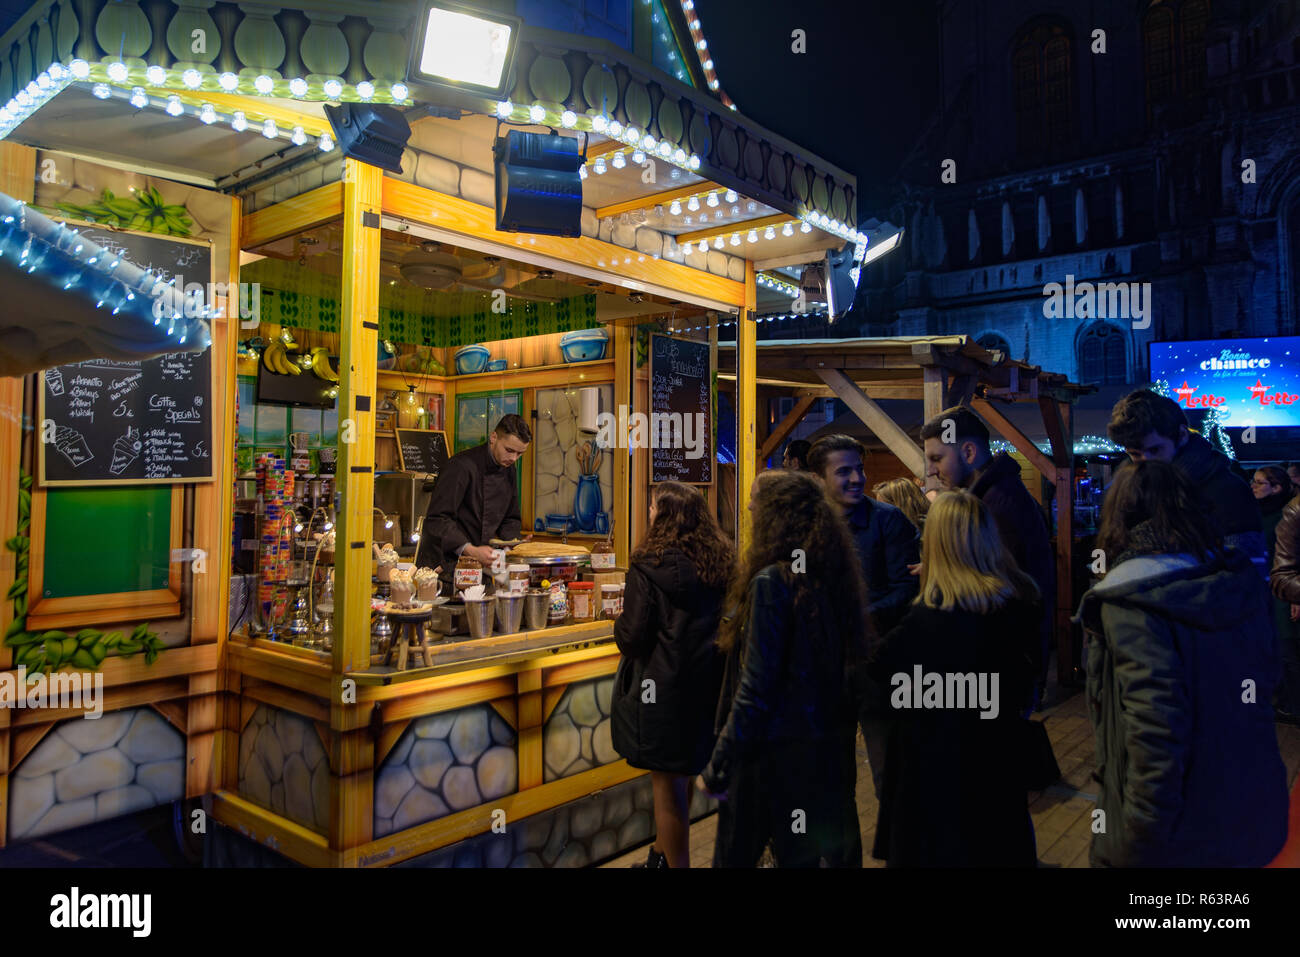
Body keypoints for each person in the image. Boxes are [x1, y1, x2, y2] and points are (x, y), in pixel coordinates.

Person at [1076, 460, 1289, 867]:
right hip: (1252, 809)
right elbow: (1265, 678)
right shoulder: (1234, 581)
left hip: (1177, 838)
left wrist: (1133, 845)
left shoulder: (1132, 602)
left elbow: (1154, 737)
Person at [699, 469, 868, 867]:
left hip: (765, 758)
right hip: (809, 754)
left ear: (777, 516)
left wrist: (719, 761)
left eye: (758, 502)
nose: (750, 508)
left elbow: (756, 686)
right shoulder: (826, 576)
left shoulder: (771, 583)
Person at [867, 491, 1040, 867]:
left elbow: (877, 679)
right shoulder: (1019, 604)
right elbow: (1025, 688)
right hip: (996, 776)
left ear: (936, 547)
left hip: (932, 787)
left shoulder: (924, 622)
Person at [611, 482, 735, 868]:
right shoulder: (720, 564)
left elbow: (632, 637)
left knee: (666, 791)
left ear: (662, 515)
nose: (648, 514)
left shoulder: (647, 566)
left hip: (659, 692)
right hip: (706, 688)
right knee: (683, 780)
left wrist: (615, 623)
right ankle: (660, 858)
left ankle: (675, 863)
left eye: (651, 508)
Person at [920, 407, 1055, 703]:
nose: (930, 470)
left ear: (968, 452)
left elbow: (1003, 590)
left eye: (936, 458)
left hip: (1001, 670)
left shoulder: (998, 506)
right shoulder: (994, 496)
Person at [1106, 389, 1265, 568]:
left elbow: (1249, 571)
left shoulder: (1228, 490)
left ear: (1182, 435)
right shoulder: (1129, 487)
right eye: (1135, 454)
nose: (1146, 461)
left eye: (1155, 450)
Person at [809, 435, 919, 634]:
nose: (857, 479)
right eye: (844, 472)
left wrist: (856, 617)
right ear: (818, 480)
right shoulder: (805, 524)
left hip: (876, 646)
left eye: (860, 469)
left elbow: (905, 589)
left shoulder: (889, 520)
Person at [416, 414, 530, 586]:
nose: (514, 458)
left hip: (480, 568)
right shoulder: (461, 466)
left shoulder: (509, 470)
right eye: (509, 450)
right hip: (443, 569)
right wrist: (470, 550)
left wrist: (515, 544)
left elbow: (510, 519)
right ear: (493, 438)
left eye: (520, 454)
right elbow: (438, 520)